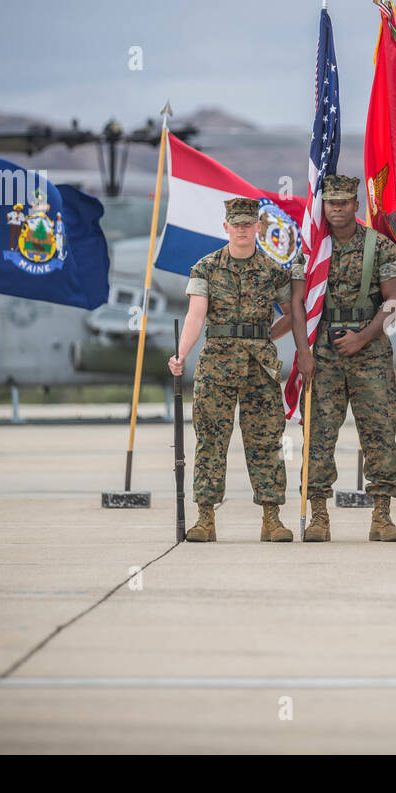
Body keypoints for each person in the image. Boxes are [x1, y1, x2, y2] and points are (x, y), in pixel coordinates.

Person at [168, 197, 295, 542]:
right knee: (210, 440)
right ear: (225, 227)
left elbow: (293, 312)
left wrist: (266, 336)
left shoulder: (272, 270)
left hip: (260, 366)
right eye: (235, 224)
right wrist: (180, 355)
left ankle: (272, 519)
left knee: (266, 440)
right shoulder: (206, 268)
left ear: (257, 227)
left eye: (247, 223)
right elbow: (195, 316)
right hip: (217, 365)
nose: (241, 229)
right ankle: (205, 519)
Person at [290, 175, 396, 542]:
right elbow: (296, 305)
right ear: (323, 206)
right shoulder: (311, 248)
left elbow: (393, 303)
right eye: (331, 203)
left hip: (369, 349)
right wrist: (305, 354)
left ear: (357, 206)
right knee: (319, 434)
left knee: (379, 432)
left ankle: (382, 517)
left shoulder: (381, 247)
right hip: (321, 351)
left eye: (343, 203)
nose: (336, 209)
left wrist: (363, 338)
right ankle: (319, 516)